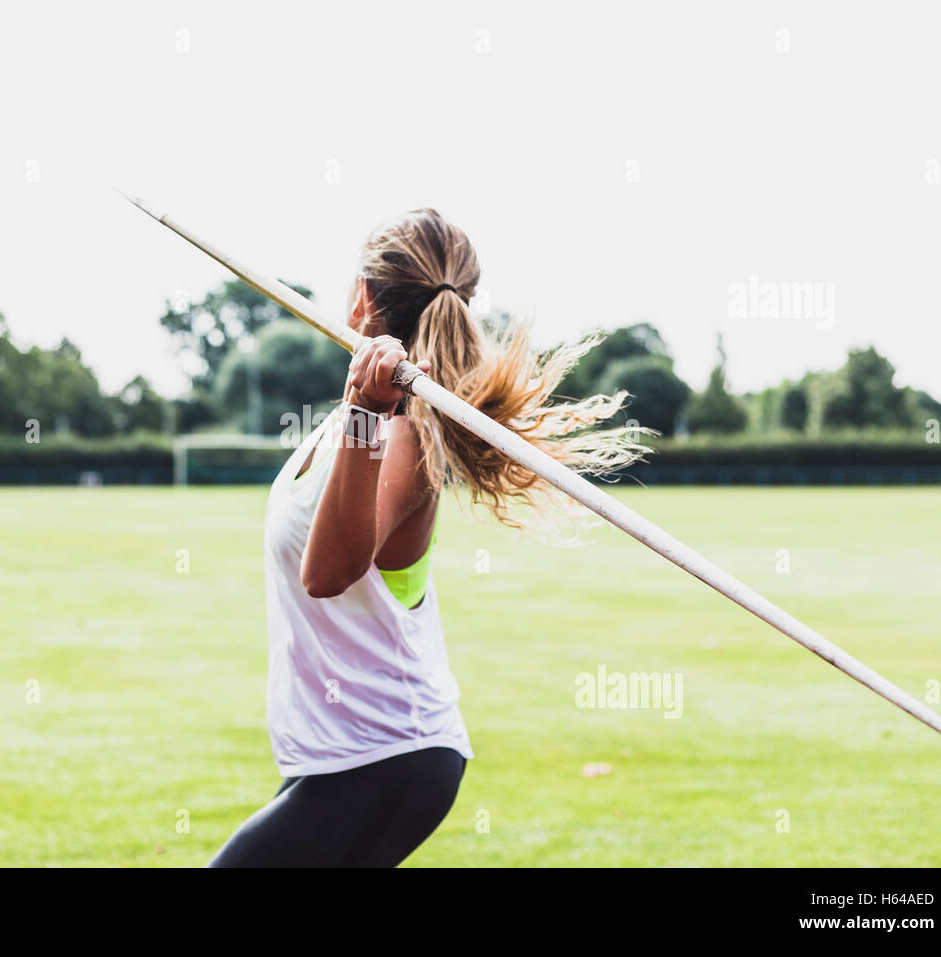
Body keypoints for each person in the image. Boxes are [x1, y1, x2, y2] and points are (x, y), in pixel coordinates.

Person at [208, 208, 648, 867]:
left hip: (389, 751)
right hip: (341, 752)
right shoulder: (356, 421)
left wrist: (363, 412)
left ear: (361, 296)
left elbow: (328, 571)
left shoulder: (406, 431)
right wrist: (359, 409)